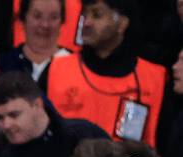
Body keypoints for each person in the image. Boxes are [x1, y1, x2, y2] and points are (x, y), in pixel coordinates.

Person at [45, 0, 167, 148]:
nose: (87, 22)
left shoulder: (153, 78)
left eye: (97, 15)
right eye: (85, 14)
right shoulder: (56, 69)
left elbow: (157, 150)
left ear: (121, 24)